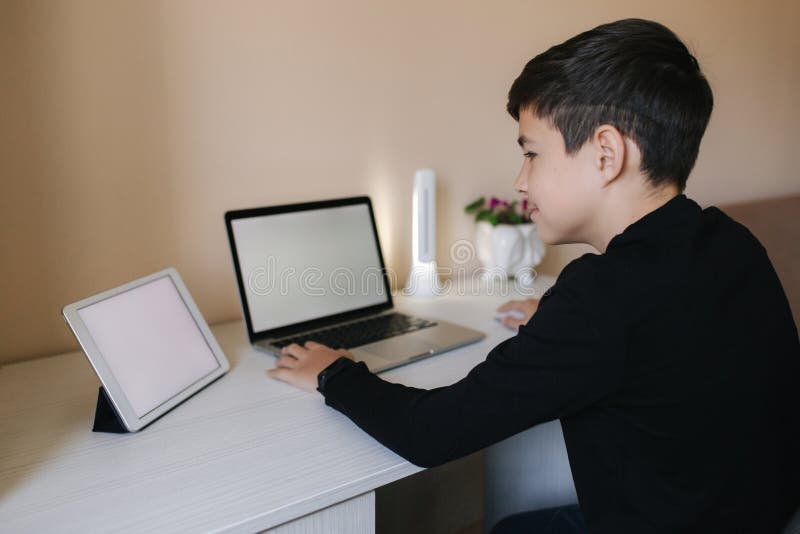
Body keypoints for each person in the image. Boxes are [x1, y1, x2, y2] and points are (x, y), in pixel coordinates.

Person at [267, 18, 800, 533]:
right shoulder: (729, 242)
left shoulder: (599, 298)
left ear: (606, 153)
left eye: (532, 153)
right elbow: (662, 332)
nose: (520, 181)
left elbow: (430, 433)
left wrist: (333, 373)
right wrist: (557, 322)